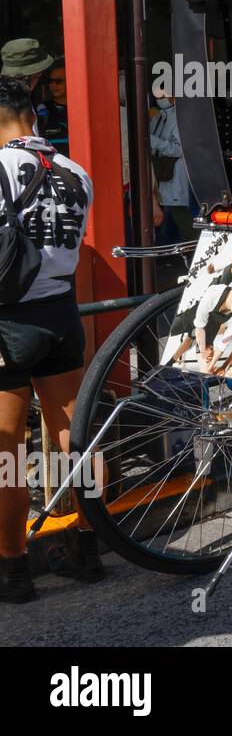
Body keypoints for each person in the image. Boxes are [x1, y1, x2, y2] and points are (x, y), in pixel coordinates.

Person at [0, 76, 97, 602]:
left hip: (7, 319)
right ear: (32, 115)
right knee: (73, 437)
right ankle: (88, 547)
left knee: (7, 451)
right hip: (61, 310)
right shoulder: (75, 171)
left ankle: (13, 571)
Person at [149, 86, 195, 245]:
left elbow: (179, 149)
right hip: (158, 173)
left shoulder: (180, 118)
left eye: (164, 94)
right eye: (158, 95)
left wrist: (152, 141)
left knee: (180, 214)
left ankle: (193, 250)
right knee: (163, 217)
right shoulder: (156, 117)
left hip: (175, 173)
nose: (160, 98)